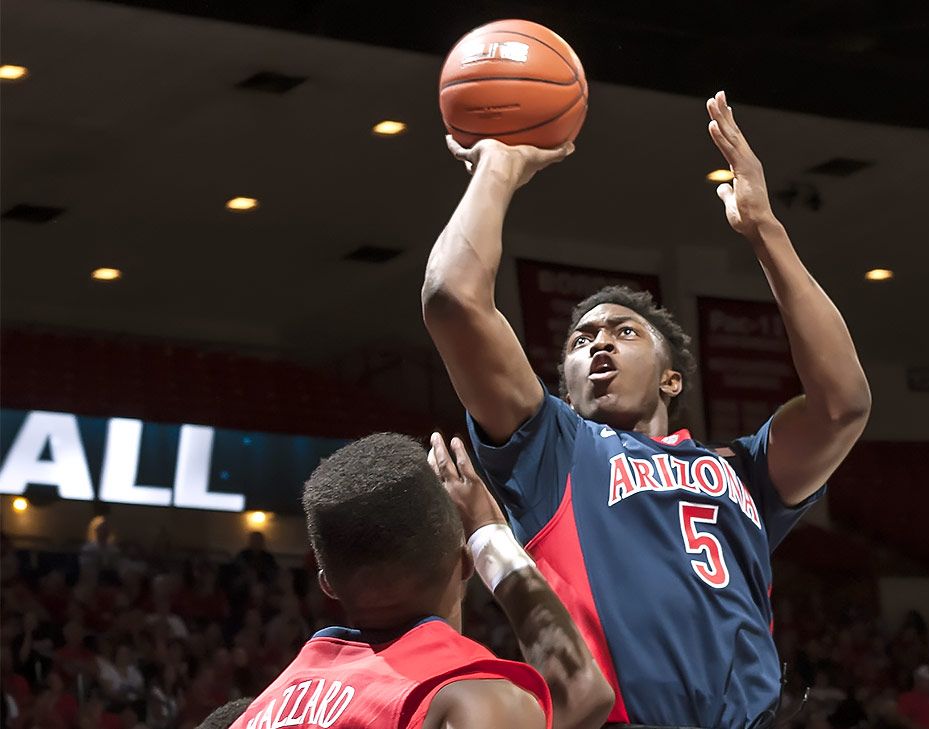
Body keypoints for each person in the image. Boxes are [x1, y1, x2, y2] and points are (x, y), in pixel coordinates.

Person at [422, 91, 871, 727]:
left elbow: (844, 406)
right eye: (581, 340)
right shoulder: (554, 448)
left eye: (623, 332)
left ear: (670, 380)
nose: (598, 341)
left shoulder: (742, 470)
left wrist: (765, 229)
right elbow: (452, 300)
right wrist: (499, 161)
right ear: (565, 385)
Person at [236, 432, 612, 729]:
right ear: (465, 563)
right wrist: (489, 535)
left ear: (328, 585)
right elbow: (582, 696)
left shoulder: (254, 714)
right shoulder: (468, 700)